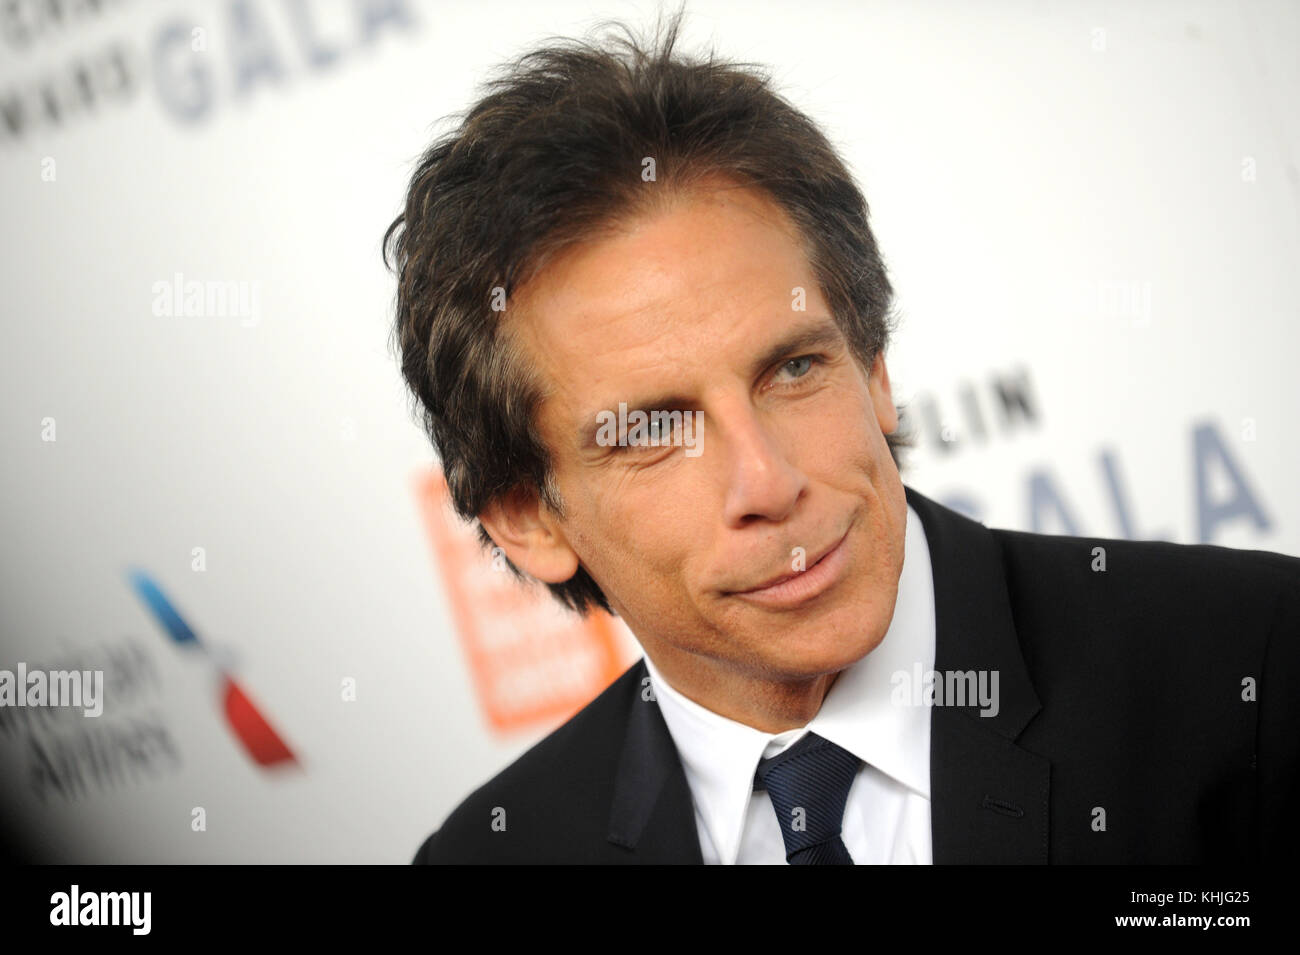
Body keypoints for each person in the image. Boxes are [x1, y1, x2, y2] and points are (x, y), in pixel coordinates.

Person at [384, 11, 1299, 864]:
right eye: (656, 430)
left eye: (793, 369)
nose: (767, 481)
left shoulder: (1253, 674)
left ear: (875, 369)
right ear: (525, 518)